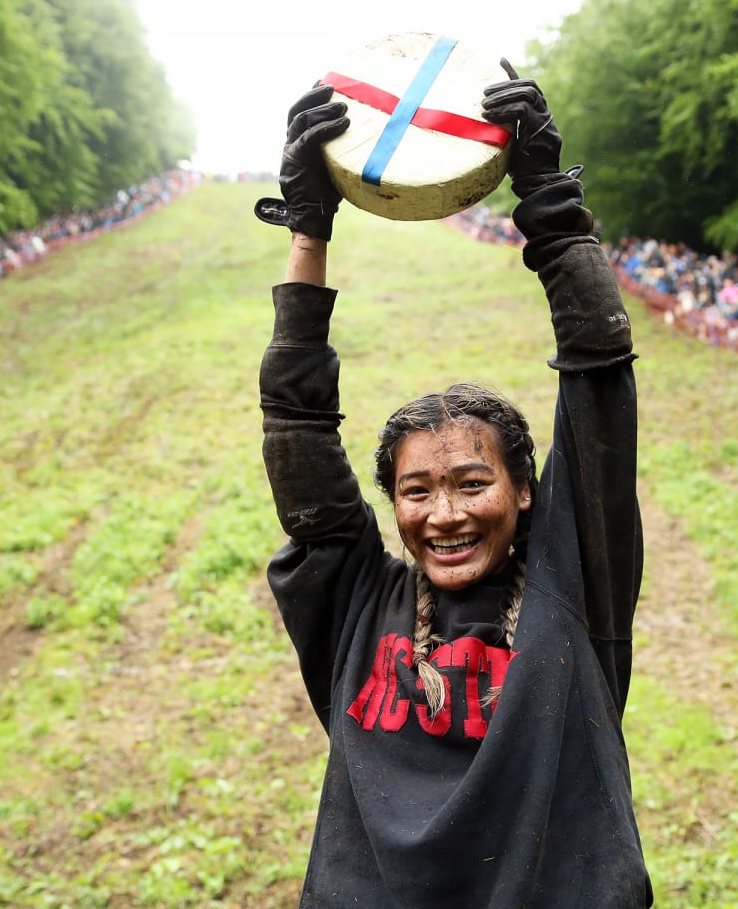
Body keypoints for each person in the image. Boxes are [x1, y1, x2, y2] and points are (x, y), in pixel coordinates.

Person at [253, 66, 652, 907]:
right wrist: (308, 230)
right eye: (416, 491)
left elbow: (600, 378)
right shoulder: (357, 598)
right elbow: (296, 423)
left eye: (473, 482)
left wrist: (548, 201)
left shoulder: (573, 587)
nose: (444, 514)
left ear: (529, 490)